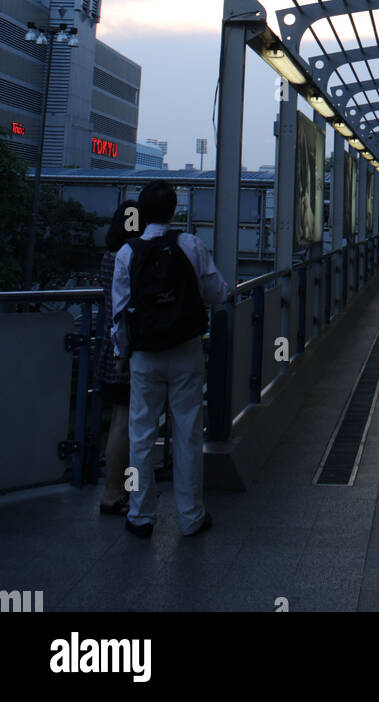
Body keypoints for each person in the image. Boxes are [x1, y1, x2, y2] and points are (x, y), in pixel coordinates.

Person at [112, 179, 230, 539]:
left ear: (141, 212)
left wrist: (121, 354)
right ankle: (191, 516)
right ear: (174, 210)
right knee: (188, 433)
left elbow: (120, 314)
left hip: (145, 356)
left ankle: (140, 514)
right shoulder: (191, 245)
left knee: (142, 434)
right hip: (186, 351)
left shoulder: (127, 253)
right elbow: (218, 293)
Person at [96, 202, 140, 515]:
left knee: (119, 421)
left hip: (109, 350)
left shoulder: (107, 258)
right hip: (127, 354)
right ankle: (117, 493)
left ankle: (120, 490)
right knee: (127, 424)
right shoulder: (131, 259)